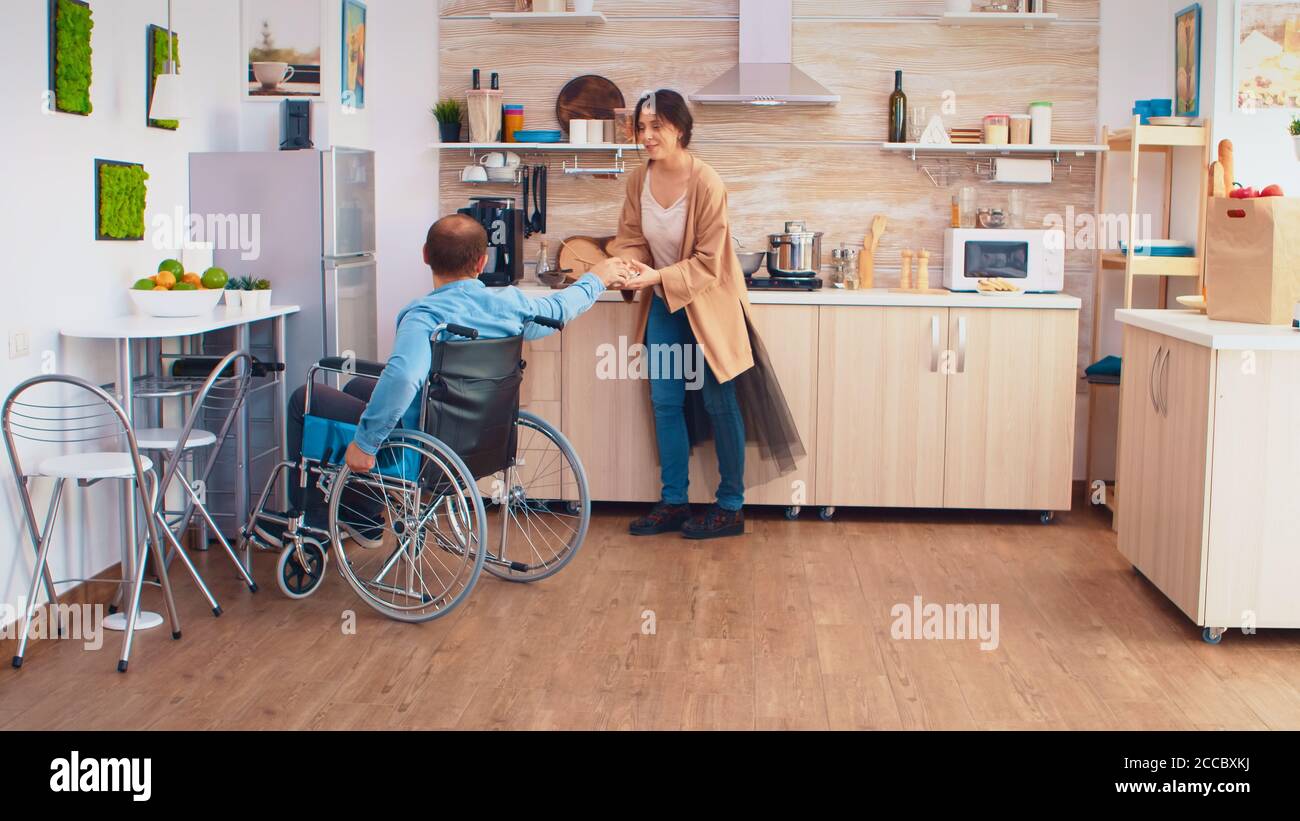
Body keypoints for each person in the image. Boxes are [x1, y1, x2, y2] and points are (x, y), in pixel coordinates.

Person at [279, 213, 629, 538]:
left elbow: (403, 379)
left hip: (425, 441)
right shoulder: (510, 304)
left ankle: (314, 526)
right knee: (358, 385)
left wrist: (366, 444)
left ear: (425, 255)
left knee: (304, 398)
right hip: (481, 439)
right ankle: (365, 511)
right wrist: (597, 277)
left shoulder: (426, 315)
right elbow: (560, 309)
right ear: (482, 262)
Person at [607, 89, 804, 541]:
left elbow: (709, 260)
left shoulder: (707, 182)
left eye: (656, 126)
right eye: (641, 127)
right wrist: (630, 266)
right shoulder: (638, 180)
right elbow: (631, 236)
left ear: (680, 128)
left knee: (719, 401)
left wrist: (654, 277)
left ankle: (730, 506)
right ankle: (674, 501)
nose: (647, 135)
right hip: (662, 303)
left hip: (709, 306)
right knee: (665, 402)